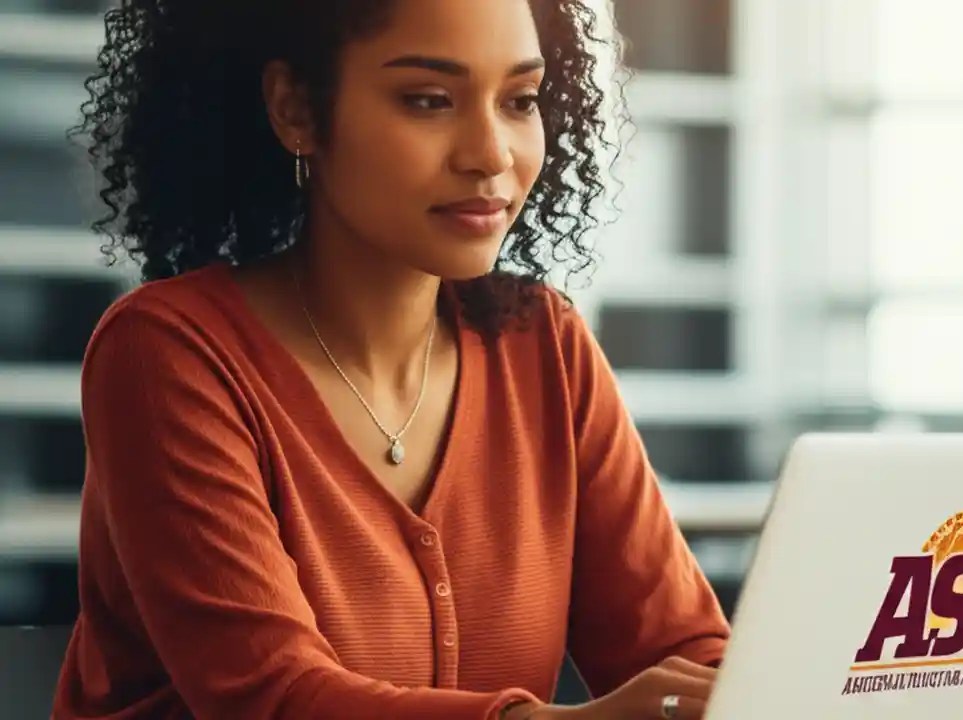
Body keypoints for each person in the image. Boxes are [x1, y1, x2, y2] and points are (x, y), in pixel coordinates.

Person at [51, 0, 730, 718]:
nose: (491, 154)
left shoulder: (544, 347)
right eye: (429, 100)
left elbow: (681, 654)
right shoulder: (170, 353)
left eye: (520, 101)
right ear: (296, 110)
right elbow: (272, 698)